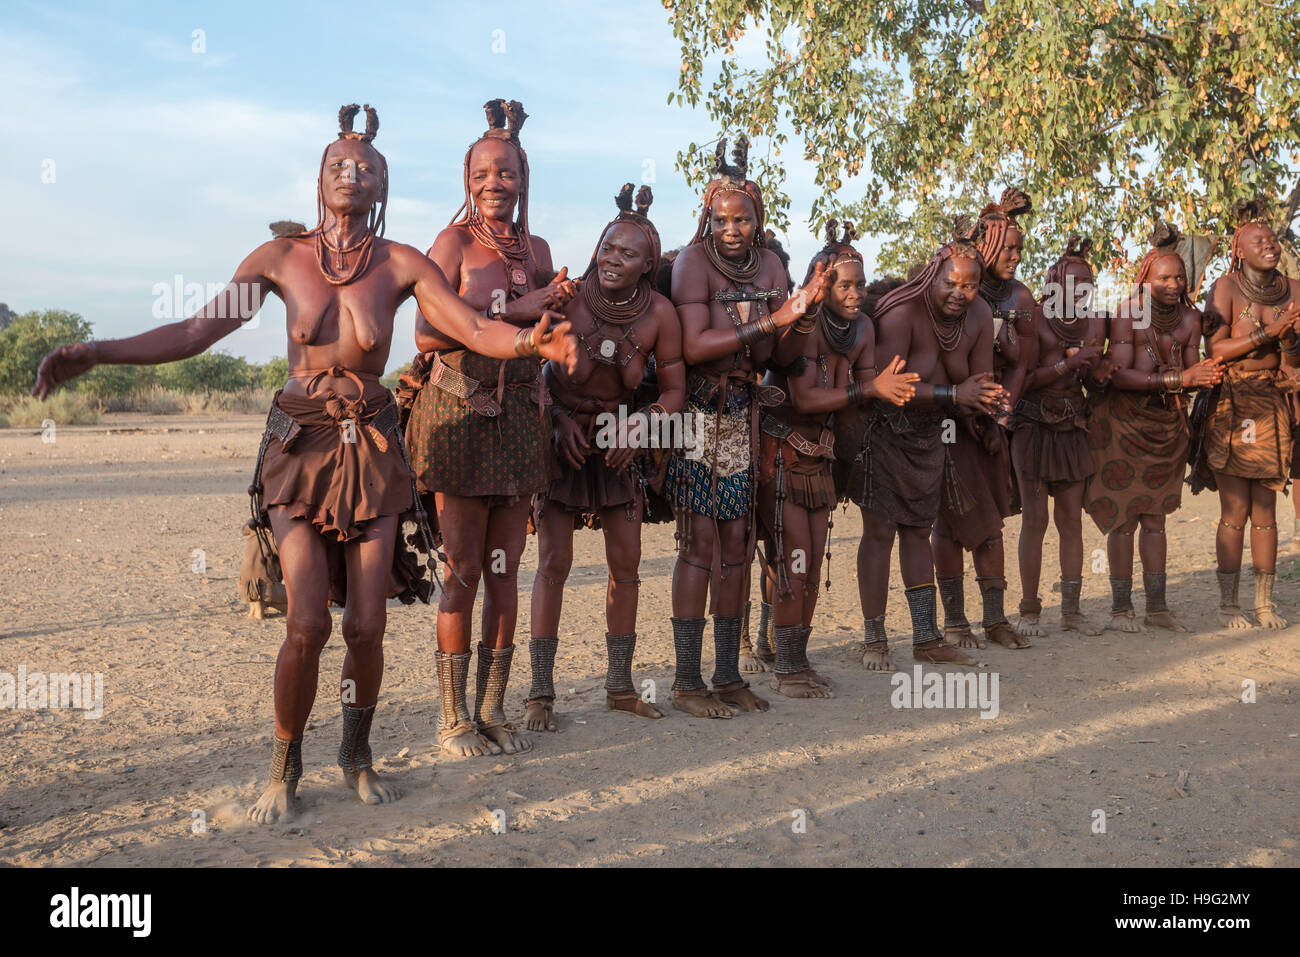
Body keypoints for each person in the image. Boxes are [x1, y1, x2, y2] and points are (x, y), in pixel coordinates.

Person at [31, 104, 576, 824]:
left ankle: (356, 755)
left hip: (375, 448)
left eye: (367, 169)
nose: (352, 174)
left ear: (384, 188)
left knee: (368, 624)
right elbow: (198, 329)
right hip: (301, 446)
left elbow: (472, 326)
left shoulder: (402, 262)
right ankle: (284, 765)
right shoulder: (280, 260)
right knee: (308, 622)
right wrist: (98, 351)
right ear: (319, 180)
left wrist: (531, 344)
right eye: (338, 165)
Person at [403, 99, 578, 757]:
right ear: (467, 178)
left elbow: (548, 335)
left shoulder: (536, 248)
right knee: (466, 566)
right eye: (483, 174)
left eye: (506, 173)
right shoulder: (451, 245)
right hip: (459, 412)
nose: (495, 184)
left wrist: (561, 304)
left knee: (507, 567)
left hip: (519, 419)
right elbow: (425, 330)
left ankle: (493, 707)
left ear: (523, 179)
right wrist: (520, 305)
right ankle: (452, 718)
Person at [665, 136, 828, 718]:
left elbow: (783, 358)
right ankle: (687, 682)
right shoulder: (691, 263)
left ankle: (728, 674)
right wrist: (774, 320)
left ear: (759, 221)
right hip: (697, 414)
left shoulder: (773, 265)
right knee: (699, 543)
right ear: (707, 219)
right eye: (721, 219)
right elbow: (694, 344)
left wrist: (802, 316)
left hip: (743, 417)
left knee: (737, 544)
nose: (732, 229)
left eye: (743, 219)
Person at [525, 184, 685, 730]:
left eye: (629, 254)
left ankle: (619, 686)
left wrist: (642, 422)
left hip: (620, 443)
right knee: (554, 564)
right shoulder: (566, 296)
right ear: (597, 247)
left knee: (627, 563)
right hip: (561, 437)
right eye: (608, 249)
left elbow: (674, 393)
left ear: (648, 265)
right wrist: (555, 420)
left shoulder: (660, 314)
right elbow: (529, 364)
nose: (614, 260)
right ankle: (540, 692)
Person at [757, 228, 917, 696]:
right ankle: (786, 670)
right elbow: (805, 398)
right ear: (820, 285)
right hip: (783, 453)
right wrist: (870, 388)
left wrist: (888, 389)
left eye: (859, 285)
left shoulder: (863, 328)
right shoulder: (803, 324)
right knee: (794, 563)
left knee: (810, 568)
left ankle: (797, 661)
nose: (854, 294)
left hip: (820, 458)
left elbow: (866, 389)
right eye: (844, 285)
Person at [845, 219, 1006, 671]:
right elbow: (887, 386)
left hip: (931, 433)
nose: (960, 292)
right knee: (880, 532)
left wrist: (990, 403)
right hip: (884, 430)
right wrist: (956, 395)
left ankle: (925, 637)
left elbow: (975, 380)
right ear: (932, 275)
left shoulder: (977, 317)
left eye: (970, 285)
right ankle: (874, 639)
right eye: (951, 283)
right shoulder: (901, 314)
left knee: (918, 531)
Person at [1084, 223, 1223, 631]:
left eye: (1179, 276)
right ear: (1146, 278)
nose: (1174, 284)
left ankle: (1157, 608)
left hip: (1167, 426)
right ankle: (1121, 609)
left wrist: (1199, 375)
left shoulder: (1191, 318)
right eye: (1164, 277)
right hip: (1123, 424)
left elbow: (1195, 366)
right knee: (1124, 518)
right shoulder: (1129, 313)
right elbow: (1120, 375)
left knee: (1157, 518)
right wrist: (1179, 380)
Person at [932, 189, 1035, 652]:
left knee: (992, 518)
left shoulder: (1020, 297)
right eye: (1007, 248)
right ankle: (955, 622)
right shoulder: (949, 286)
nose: (1015, 257)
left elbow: (1020, 364)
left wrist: (1003, 410)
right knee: (949, 523)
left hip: (992, 423)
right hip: (947, 418)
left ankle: (995, 619)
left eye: (1019, 249)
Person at [1194, 200, 1300, 628]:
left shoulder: (1294, 287)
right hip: (1231, 403)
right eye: (1259, 241)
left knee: (1265, 511)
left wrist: (1289, 341)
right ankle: (1228, 605)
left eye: (1273, 239)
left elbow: (1294, 359)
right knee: (1234, 510)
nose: (1270, 245)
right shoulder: (1225, 287)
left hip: (1272, 403)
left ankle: (1263, 603)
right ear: (1240, 250)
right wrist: (1268, 332)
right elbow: (1214, 350)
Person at [1012, 236, 1108, 637]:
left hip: (1072, 427)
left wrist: (1098, 373)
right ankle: (1030, 611)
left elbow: (1091, 375)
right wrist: (1066, 367)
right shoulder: (1034, 315)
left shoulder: (1095, 320)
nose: (1080, 289)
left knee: (1071, 519)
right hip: (1032, 426)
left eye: (1087, 282)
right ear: (1054, 281)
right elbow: (1024, 379)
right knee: (1034, 520)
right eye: (1072, 281)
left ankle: (1071, 611)